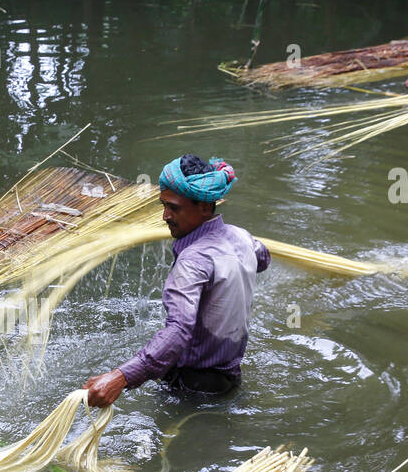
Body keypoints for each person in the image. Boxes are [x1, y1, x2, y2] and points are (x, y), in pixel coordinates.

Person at [82, 154, 270, 407]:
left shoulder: (192, 261)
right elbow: (263, 260)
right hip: (228, 380)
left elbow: (179, 331)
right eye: (164, 206)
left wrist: (120, 376)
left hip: (190, 389)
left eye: (174, 208)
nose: (165, 216)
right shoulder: (242, 238)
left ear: (204, 207)